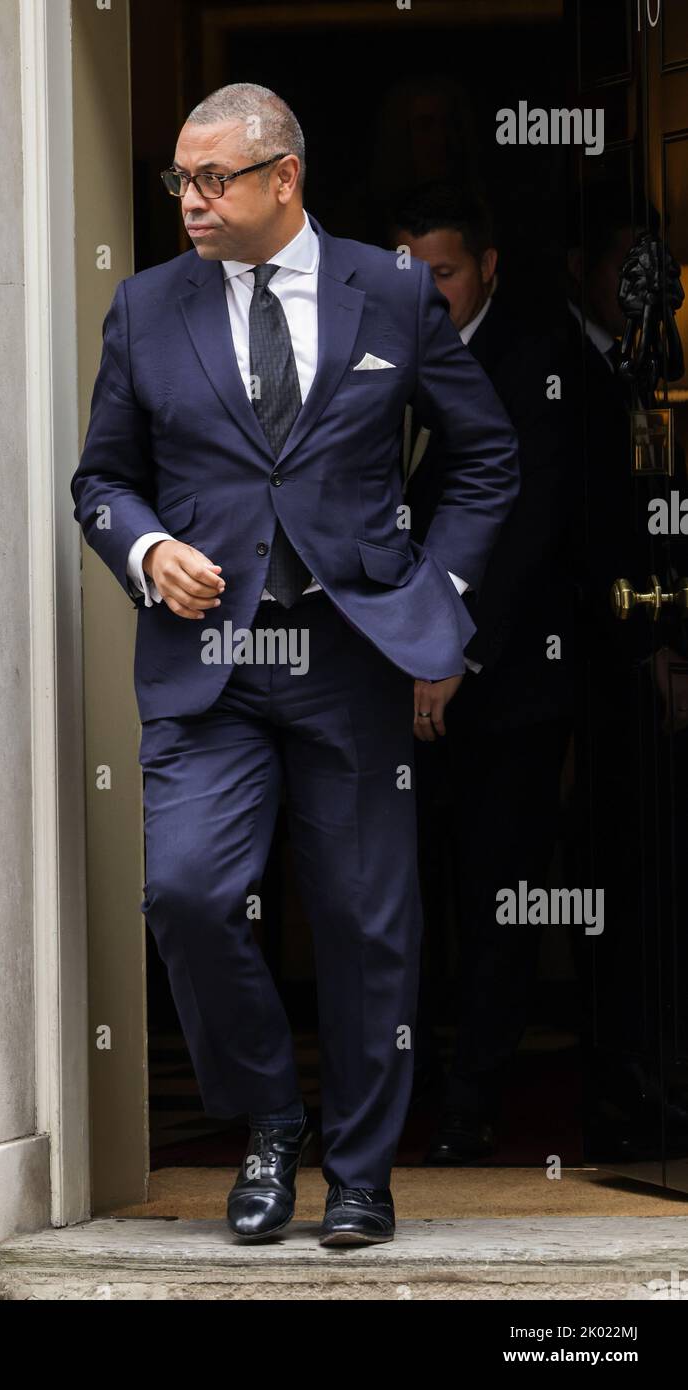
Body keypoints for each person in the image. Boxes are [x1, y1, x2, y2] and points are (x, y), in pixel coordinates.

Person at [71, 84, 518, 1245]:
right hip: (205, 663)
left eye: (213, 178)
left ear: (285, 178)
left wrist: (442, 606)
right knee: (187, 892)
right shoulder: (146, 307)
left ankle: (360, 1171)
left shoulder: (391, 290)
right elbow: (100, 480)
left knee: (369, 922)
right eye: (180, 178)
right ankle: (270, 1121)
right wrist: (149, 546)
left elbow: (484, 459)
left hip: (352, 651)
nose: (190, 201)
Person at [394, 182, 575, 1161]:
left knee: (497, 904)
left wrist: (450, 653)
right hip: (392, 695)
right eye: (407, 274)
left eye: (445, 272)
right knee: (403, 902)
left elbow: (524, 532)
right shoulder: (375, 362)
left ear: (487, 268)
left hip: (506, 686)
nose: (426, 293)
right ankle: (407, 1095)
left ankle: (471, 1107)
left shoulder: (532, 365)